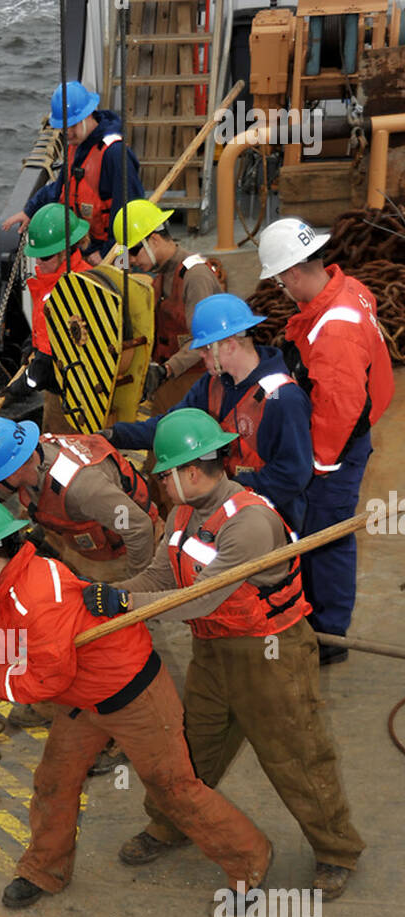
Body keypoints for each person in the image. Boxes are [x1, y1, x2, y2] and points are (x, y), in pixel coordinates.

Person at [0, 495, 272, 909]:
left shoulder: (36, 595)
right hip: (87, 699)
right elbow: (7, 650)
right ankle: (44, 870)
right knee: (54, 782)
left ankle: (249, 863)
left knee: (174, 790)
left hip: (133, 696)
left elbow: (46, 678)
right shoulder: (14, 586)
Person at [83, 409, 364, 901]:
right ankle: (169, 824)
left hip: (268, 657)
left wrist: (125, 606)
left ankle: (336, 851)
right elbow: (162, 578)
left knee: (296, 755)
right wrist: (107, 597)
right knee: (191, 746)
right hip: (212, 651)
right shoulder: (183, 514)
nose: (162, 484)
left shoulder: (250, 523)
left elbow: (200, 597)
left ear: (191, 471)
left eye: (166, 473)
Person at [257, 217, 394, 661]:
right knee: (322, 534)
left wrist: (316, 465)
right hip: (352, 432)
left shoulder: (335, 330)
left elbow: (339, 407)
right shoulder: (348, 288)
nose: (280, 287)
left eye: (280, 280)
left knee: (327, 537)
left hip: (338, 450)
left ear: (295, 271)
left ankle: (330, 636)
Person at [102, 294, 314, 531]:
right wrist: (114, 436)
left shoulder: (282, 398)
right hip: (225, 507)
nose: (201, 357)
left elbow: (293, 475)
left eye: (204, 350)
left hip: (270, 519)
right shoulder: (213, 384)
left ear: (230, 344)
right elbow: (171, 426)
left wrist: (227, 488)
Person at [0, 415, 159, 583]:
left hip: (118, 557)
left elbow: (139, 528)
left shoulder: (83, 488)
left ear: (14, 471)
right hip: (77, 541)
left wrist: (135, 585)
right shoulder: (33, 454)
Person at [2, 81, 142, 263]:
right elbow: (58, 189)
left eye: (73, 125)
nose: (68, 133)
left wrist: (107, 253)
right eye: (63, 127)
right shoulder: (76, 147)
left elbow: (130, 210)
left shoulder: (114, 154)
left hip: (106, 254)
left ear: (89, 115)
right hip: (82, 246)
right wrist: (29, 210)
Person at [111, 199, 223, 408]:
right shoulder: (161, 276)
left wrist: (166, 369)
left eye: (134, 251)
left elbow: (205, 337)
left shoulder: (195, 276)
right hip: (171, 382)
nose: (132, 260)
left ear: (153, 240)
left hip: (196, 384)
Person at [15, 205, 92, 433]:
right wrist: (33, 344)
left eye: (45, 256)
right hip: (56, 390)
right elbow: (46, 326)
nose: (38, 263)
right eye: (37, 257)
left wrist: (26, 382)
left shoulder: (81, 287)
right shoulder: (49, 281)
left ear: (66, 252)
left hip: (78, 396)